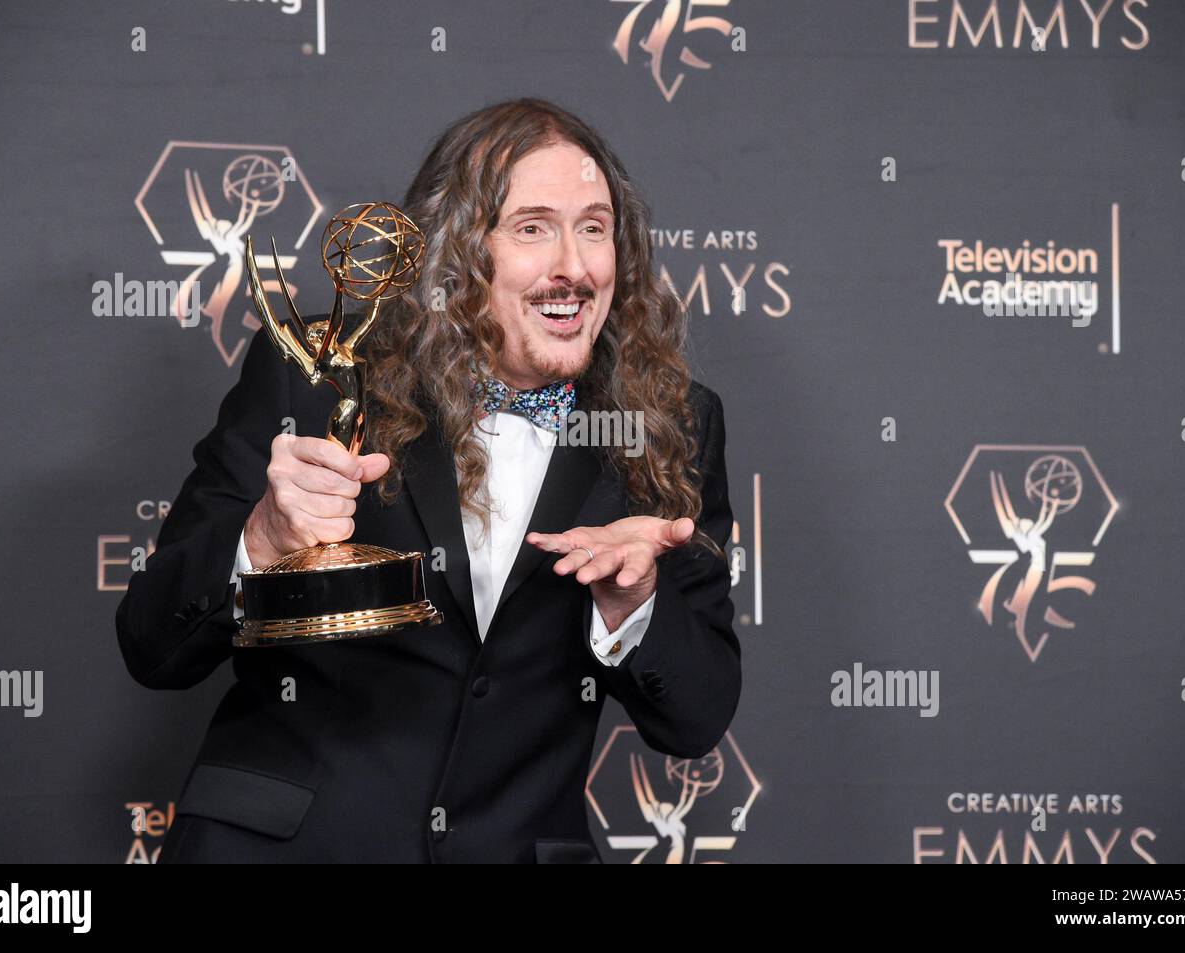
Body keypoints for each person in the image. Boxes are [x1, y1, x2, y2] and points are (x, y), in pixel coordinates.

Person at [116, 98, 741, 863]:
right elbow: (152, 643)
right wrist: (262, 539)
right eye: (533, 227)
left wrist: (635, 607)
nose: (574, 267)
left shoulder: (670, 422)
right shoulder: (316, 378)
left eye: (594, 227)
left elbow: (698, 718)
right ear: (453, 249)